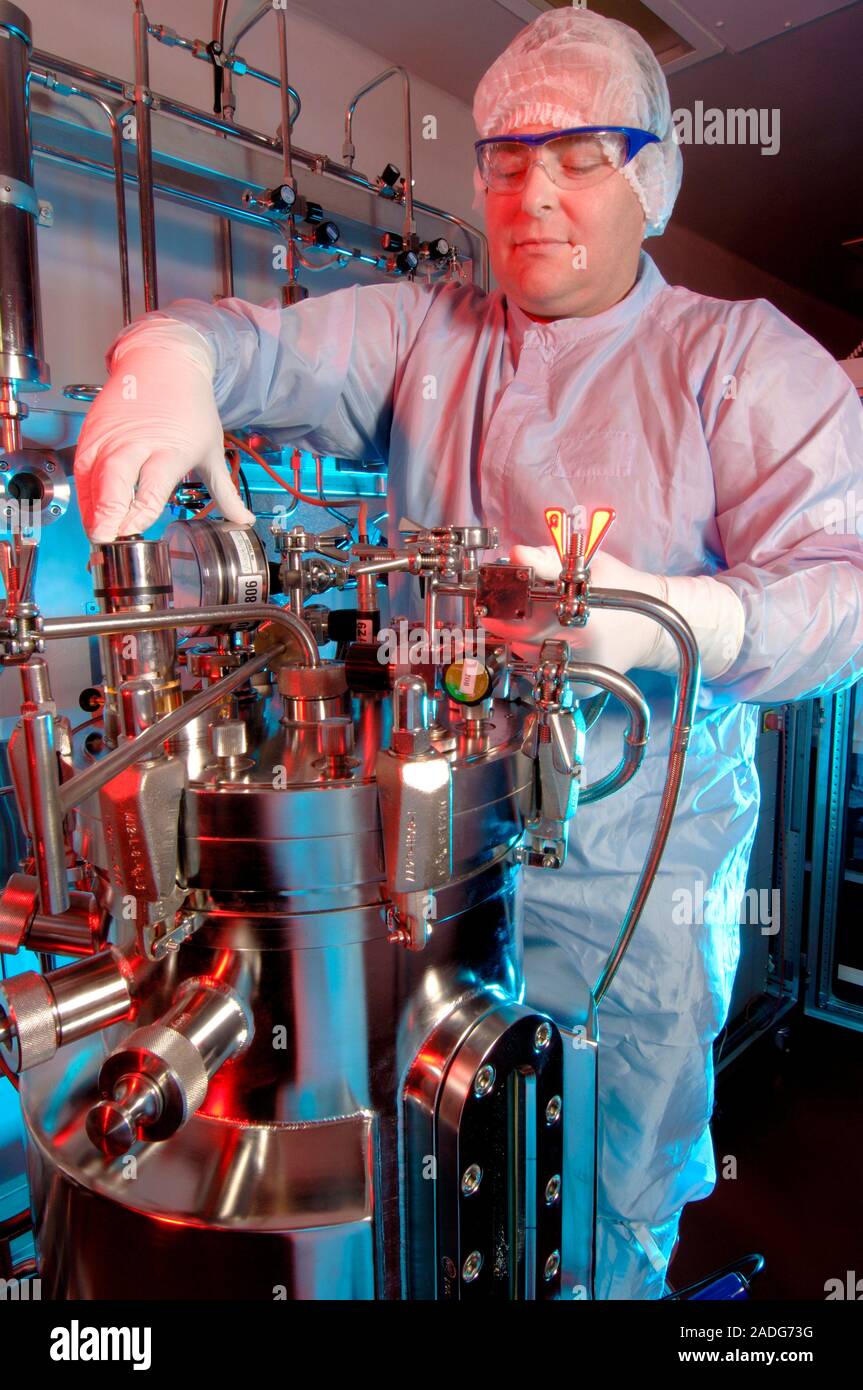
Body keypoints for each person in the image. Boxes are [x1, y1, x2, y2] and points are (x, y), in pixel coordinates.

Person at [74, 8, 863, 1297]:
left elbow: (847, 591)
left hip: (635, 876)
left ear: (654, 176)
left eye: (582, 156)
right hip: (427, 878)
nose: (533, 195)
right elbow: (256, 344)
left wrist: (684, 613)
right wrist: (169, 355)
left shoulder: (738, 361)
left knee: (610, 1193)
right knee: (425, 1195)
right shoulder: (424, 336)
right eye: (504, 158)